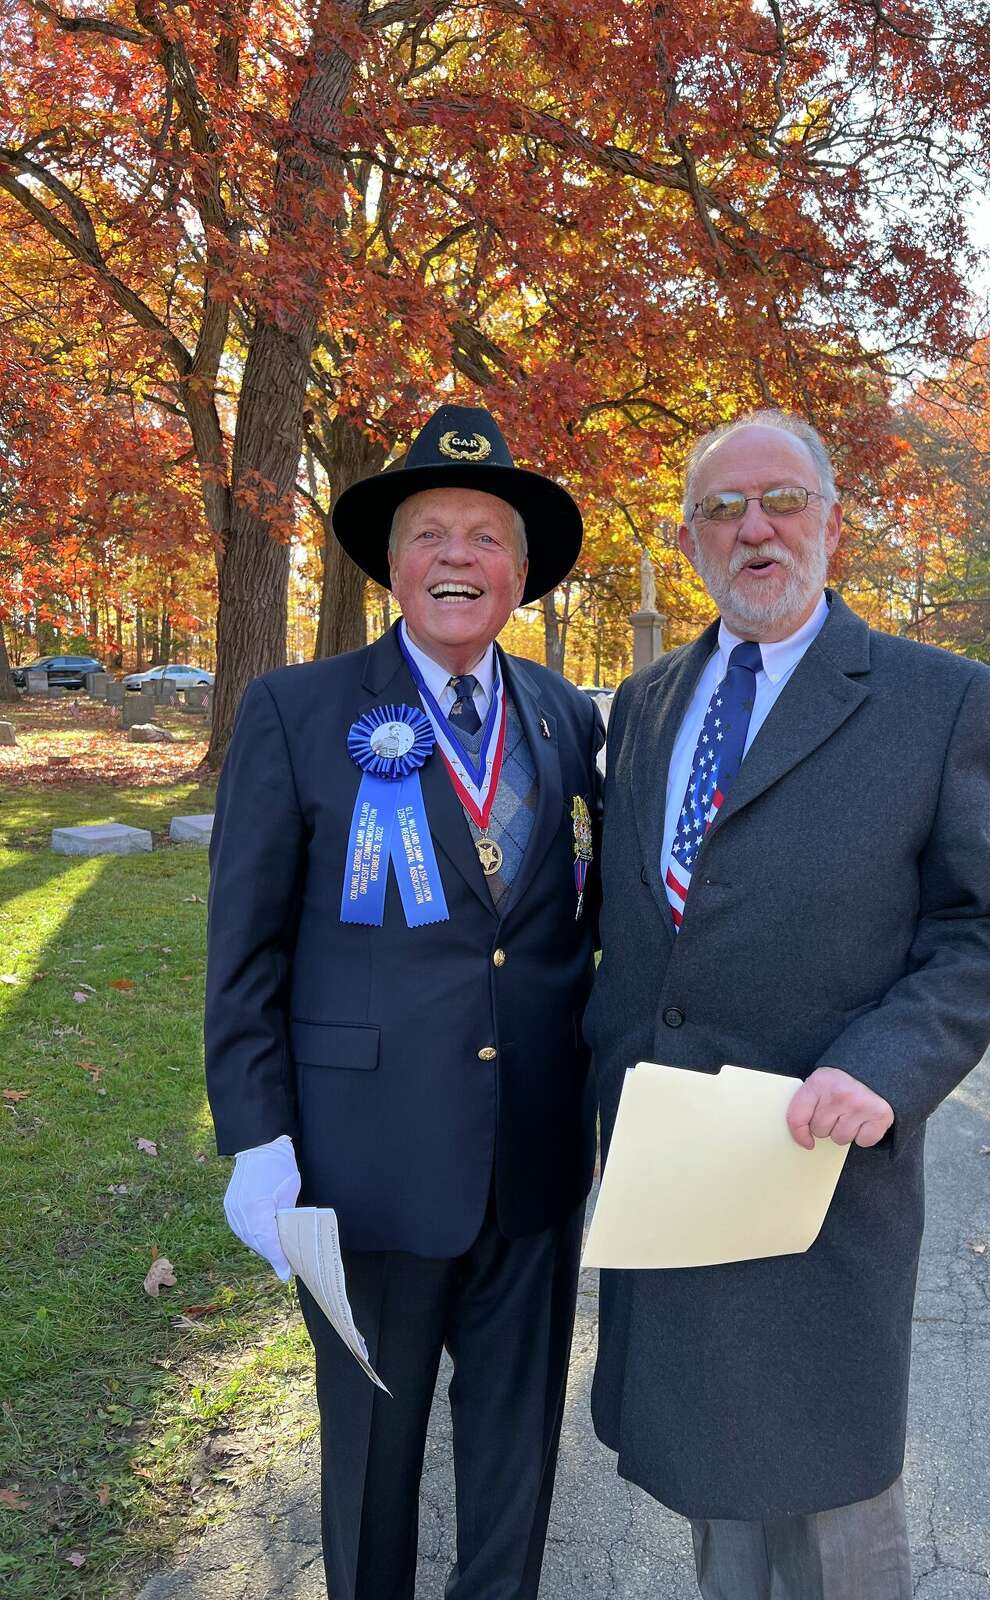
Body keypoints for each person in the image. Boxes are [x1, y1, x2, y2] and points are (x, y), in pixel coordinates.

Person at [585, 411, 990, 1600]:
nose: (755, 529)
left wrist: (882, 1067)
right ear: (691, 539)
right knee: (715, 1492)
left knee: (834, 1515)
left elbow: (989, 927)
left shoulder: (936, 698)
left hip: (821, 1168)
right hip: (672, 1174)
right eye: (723, 508)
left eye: (782, 501)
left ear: (833, 524)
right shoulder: (645, 702)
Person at [205, 404, 604, 1600]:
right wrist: (257, 1134)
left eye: (486, 538)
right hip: (367, 1166)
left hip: (532, 1163)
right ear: (392, 563)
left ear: (520, 573)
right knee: (373, 1463)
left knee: (516, 1461)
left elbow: (581, 924)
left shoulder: (568, 718)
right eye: (431, 533)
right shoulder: (296, 711)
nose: (457, 558)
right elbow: (244, 949)